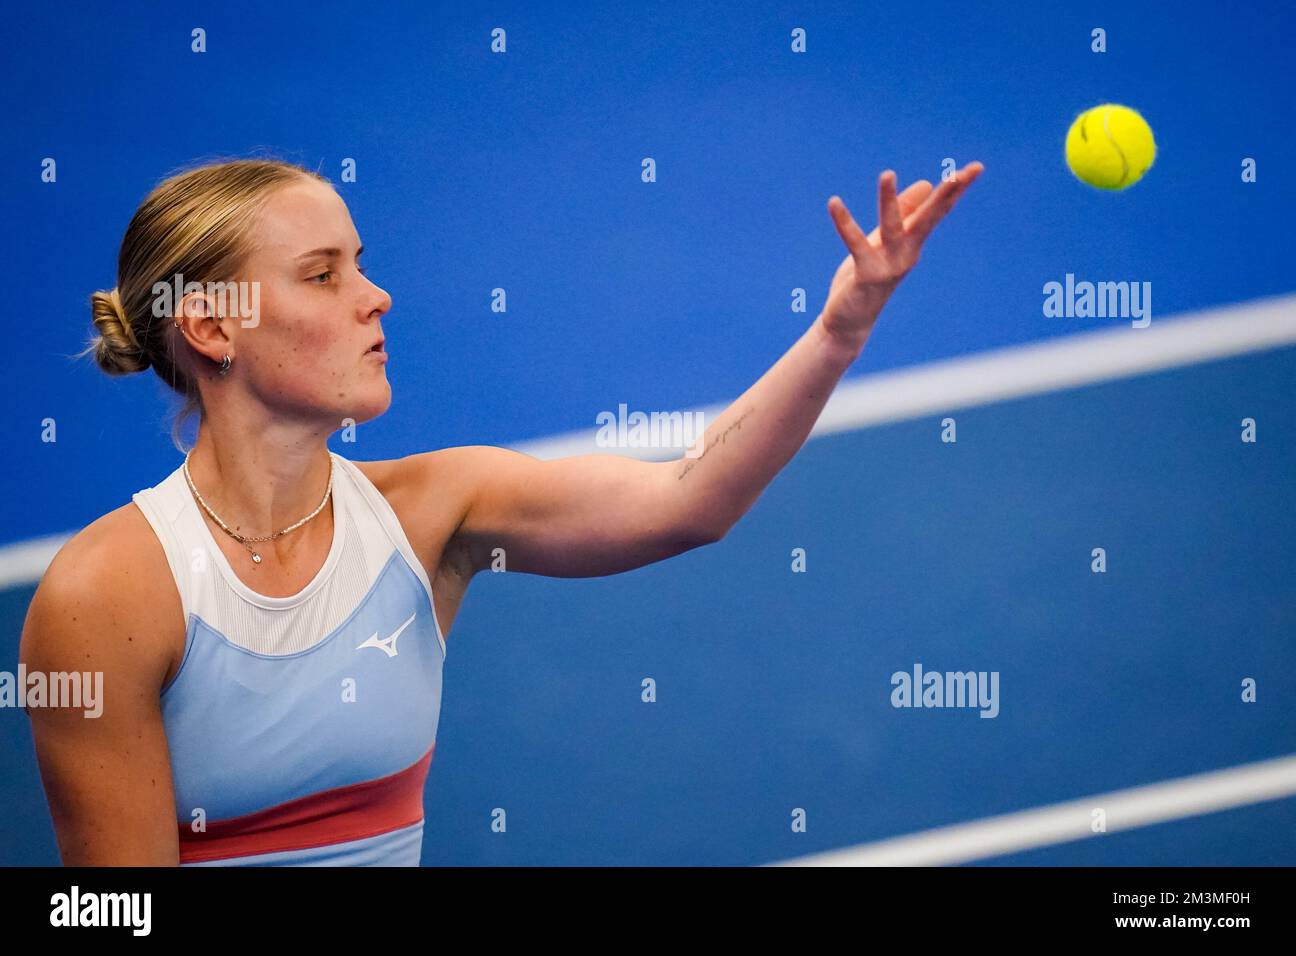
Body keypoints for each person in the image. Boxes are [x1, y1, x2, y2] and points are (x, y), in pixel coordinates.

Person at [19, 155, 982, 865]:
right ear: (211, 324)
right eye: (324, 275)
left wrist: (838, 330)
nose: (376, 296)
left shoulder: (434, 512)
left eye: (360, 263)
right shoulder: (107, 594)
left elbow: (689, 500)